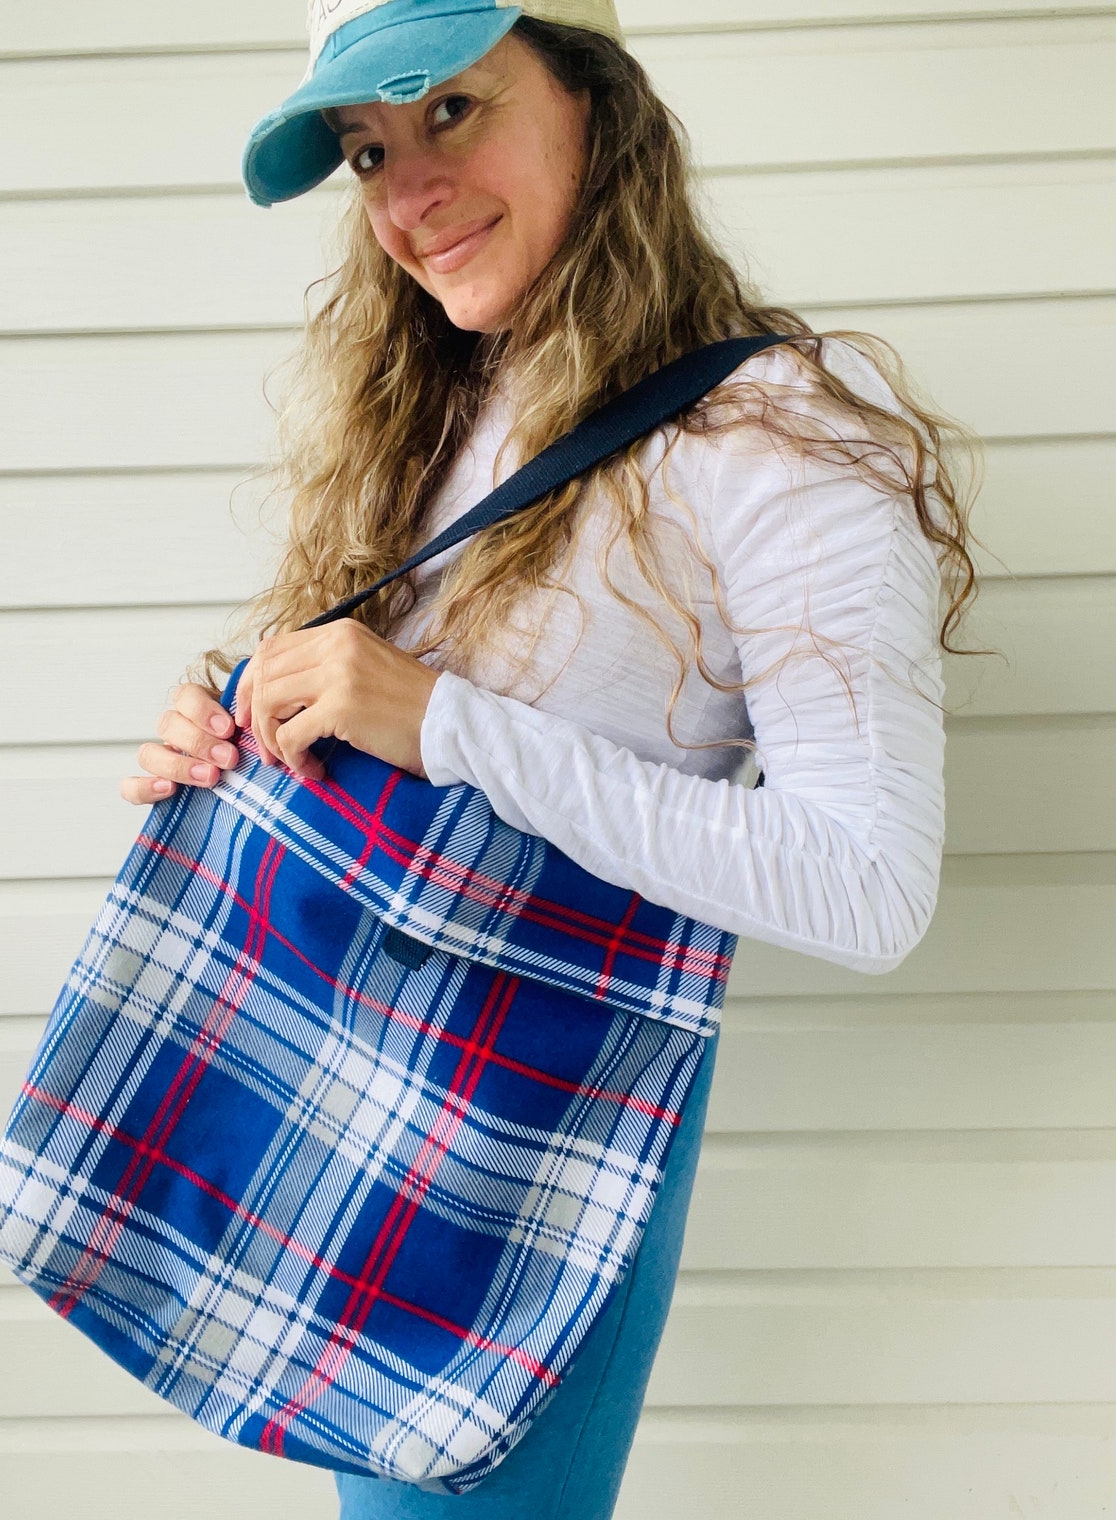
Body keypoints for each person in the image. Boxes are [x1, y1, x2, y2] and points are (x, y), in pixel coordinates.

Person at [119, 2, 982, 1515]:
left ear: (592, 92)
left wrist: (441, 721)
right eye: (367, 151)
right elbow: (411, 725)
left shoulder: (774, 432)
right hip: (354, 1111)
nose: (406, 194)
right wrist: (243, 721)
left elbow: (869, 884)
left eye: (452, 111)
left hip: (526, 1142)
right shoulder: (441, 409)